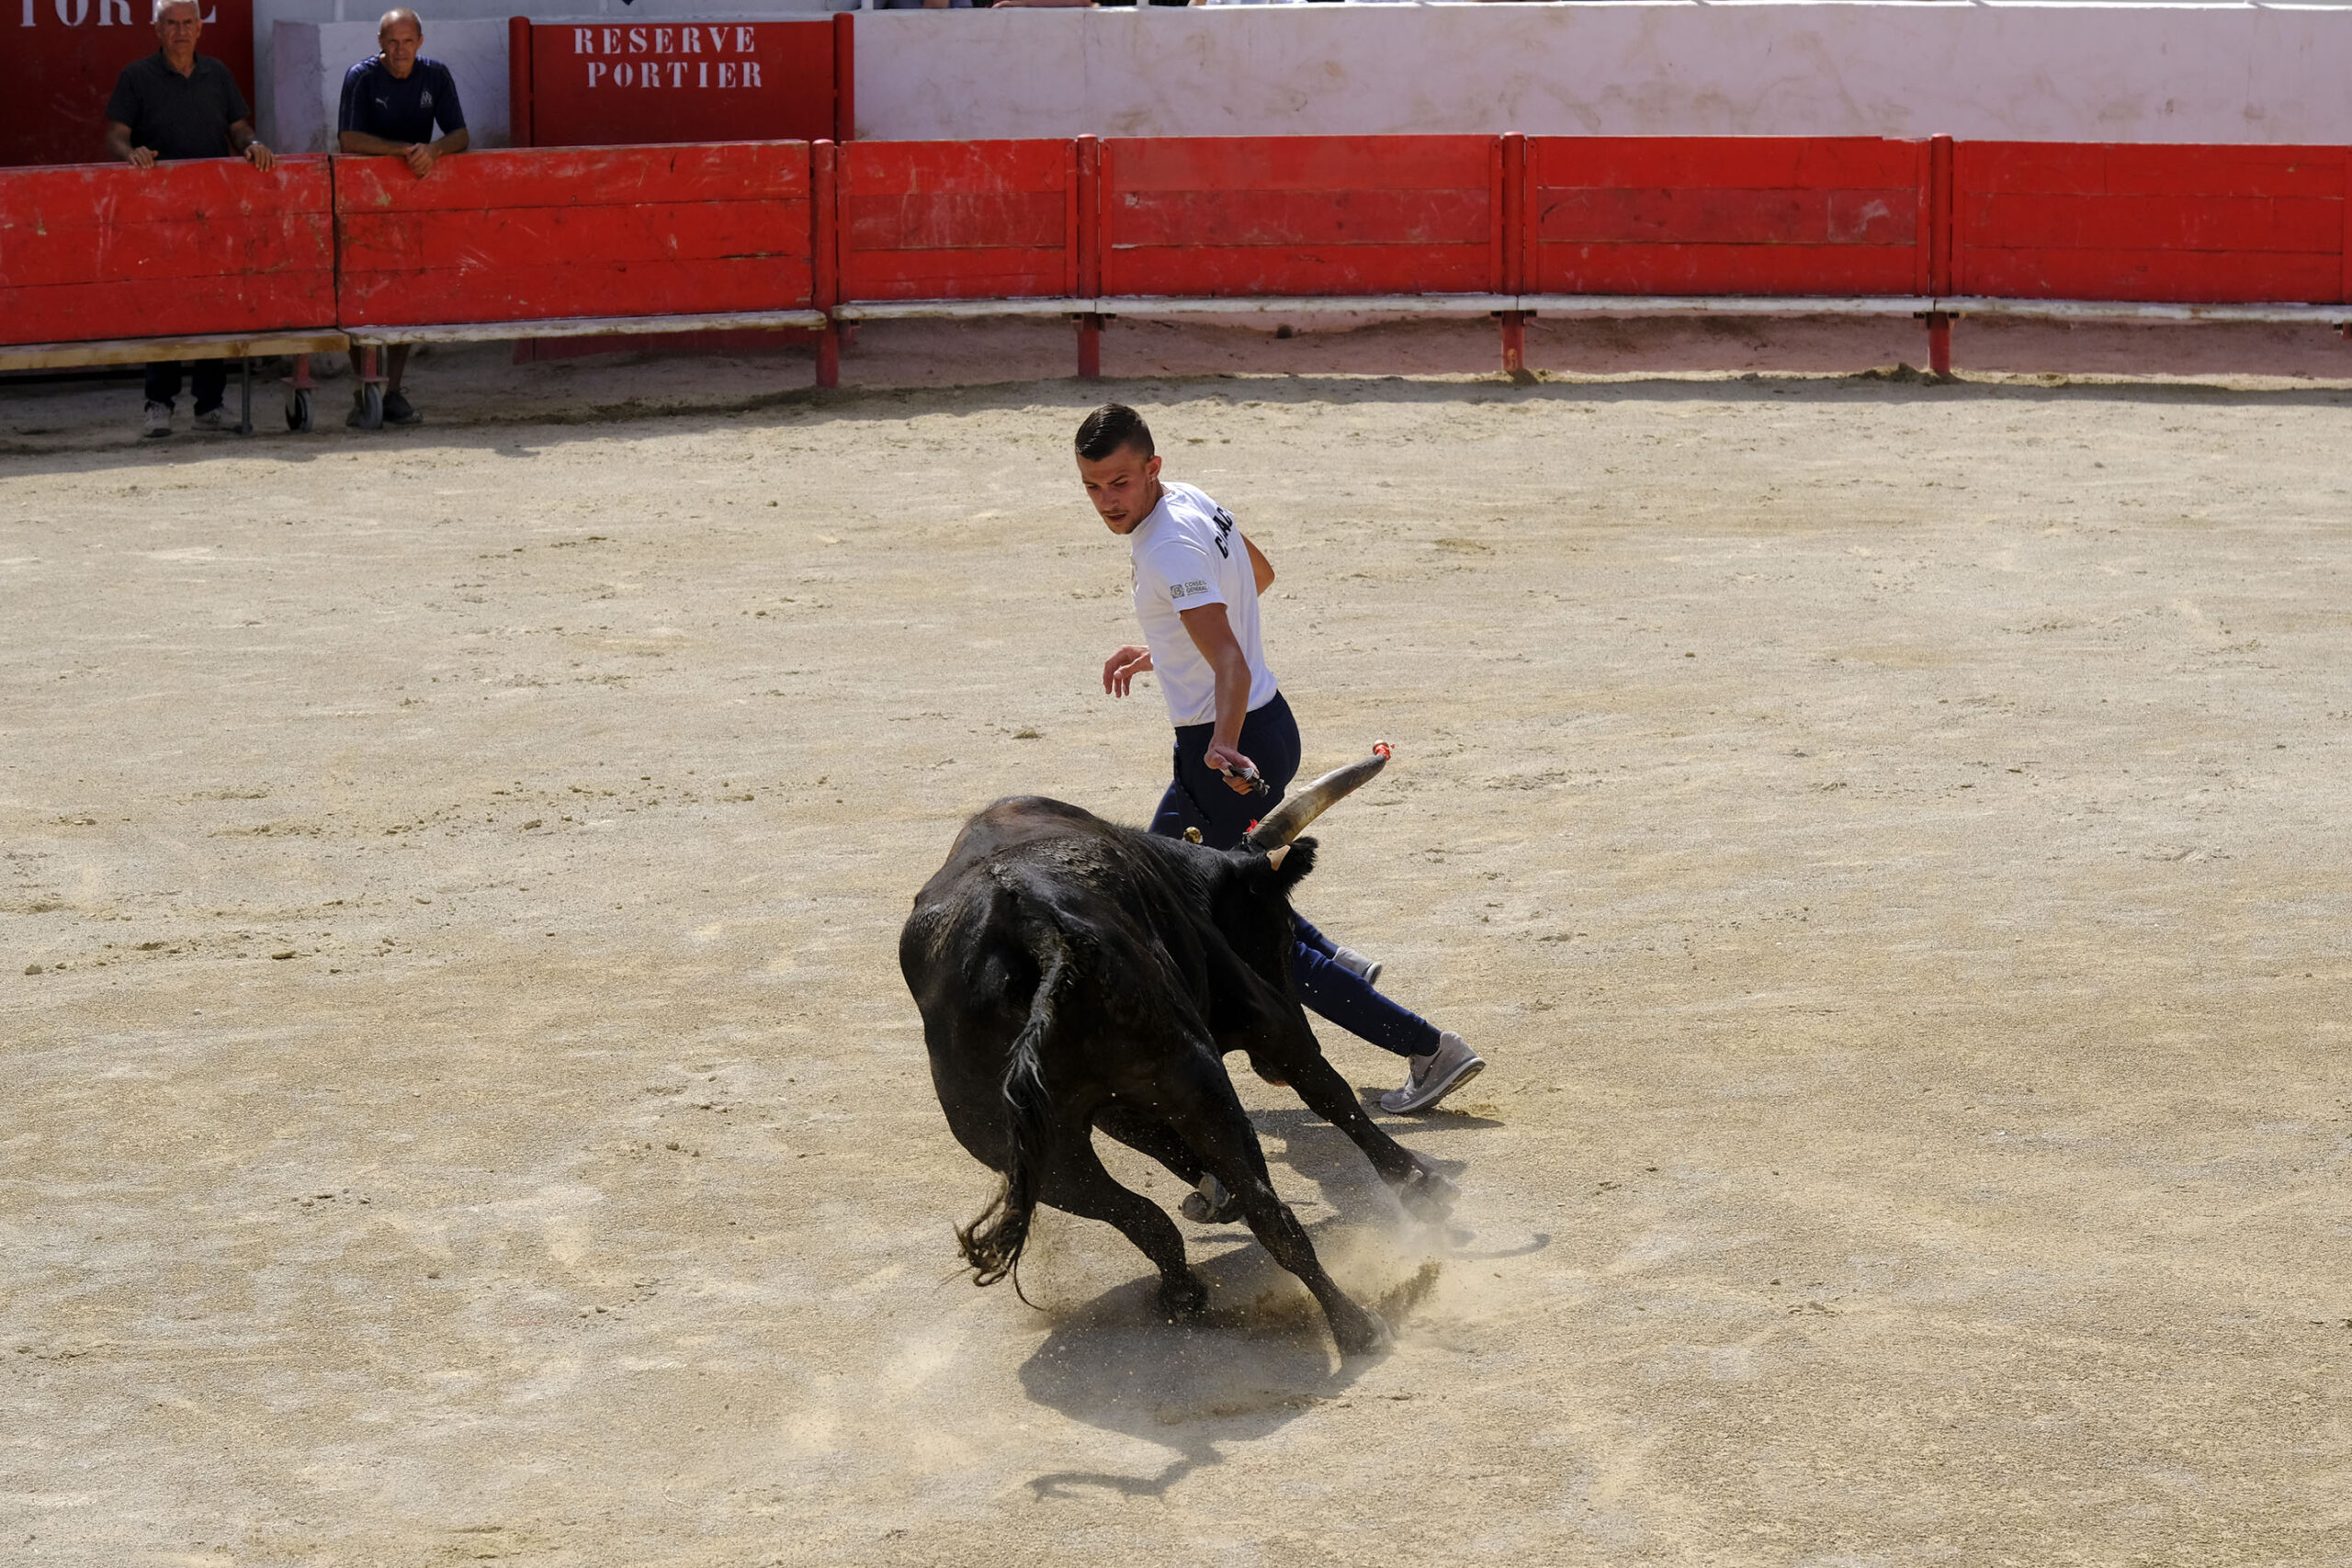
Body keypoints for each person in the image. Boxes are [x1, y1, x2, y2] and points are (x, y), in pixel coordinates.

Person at [1077, 401, 1487, 1114]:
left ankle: (1426, 1045)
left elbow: (1228, 660)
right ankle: (1340, 963)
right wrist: (1169, 647)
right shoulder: (1190, 502)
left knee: (1209, 918)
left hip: (1226, 751)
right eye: (1092, 487)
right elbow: (1258, 577)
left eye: (1119, 482)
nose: (1108, 501)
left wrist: (1223, 745)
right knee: (1192, 887)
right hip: (1269, 725)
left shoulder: (1164, 548)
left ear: (1151, 468)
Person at [105, 0, 277, 440]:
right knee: (164, 305)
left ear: (200, 28)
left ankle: (210, 404)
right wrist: (132, 154)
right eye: (171, 23)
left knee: (211, 303)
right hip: (157, 212)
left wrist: (252, 144)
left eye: (187, 23)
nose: (180, 31)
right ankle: (158, 403)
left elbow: (238, 127)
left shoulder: (216, 73)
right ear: (157, 29)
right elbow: (116, 135)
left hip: (212, 210)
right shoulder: (136, 76)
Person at [337, 7, 469, 428]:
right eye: (392, 42)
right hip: (363, 200)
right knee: (360, 296)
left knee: (404, 296)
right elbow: (349, 139)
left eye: (407, 41)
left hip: (413, 200)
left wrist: (435, 150)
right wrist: (404, 151)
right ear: (380, 43)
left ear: (420, 42)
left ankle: (391, 390)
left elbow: (461, 135)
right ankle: (364, 391)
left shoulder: (436, 75)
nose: (400, 50)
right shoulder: (360, 77)